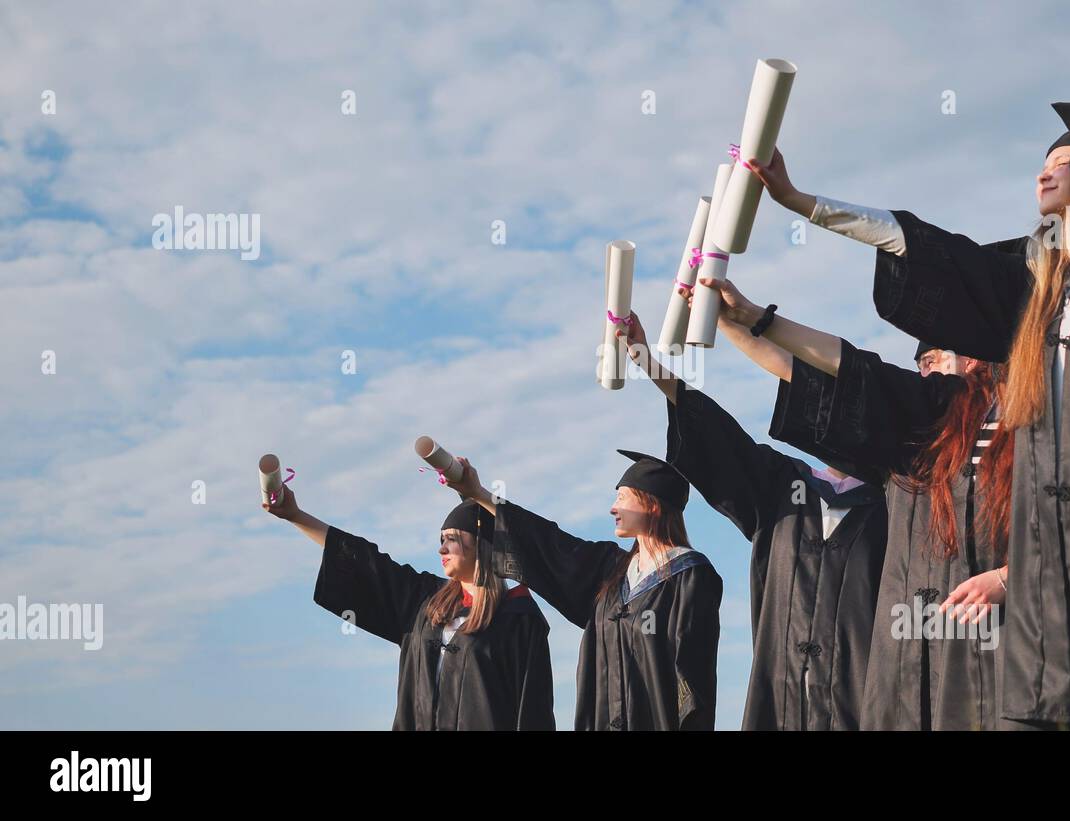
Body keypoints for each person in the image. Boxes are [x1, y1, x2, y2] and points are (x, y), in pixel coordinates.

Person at [745, 102, 1070, 730]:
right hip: (1050, 594)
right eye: (1041, 164)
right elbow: (931, 249)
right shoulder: (1039, 313)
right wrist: (802, 203)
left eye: (1061, 164)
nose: (1042, 176)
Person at [617, 309, 888, 730]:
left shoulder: (894, 502)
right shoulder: (779, 486)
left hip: (864, 708)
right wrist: (648, 362)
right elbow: (717, 432)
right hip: (778, 706)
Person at [441, 451, 723, 730]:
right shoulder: (610, 571)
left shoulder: (690, 576)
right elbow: (549, 542)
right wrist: (478, 492)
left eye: (623, 497)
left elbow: (691, 677)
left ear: (652, 505)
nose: (613, 508)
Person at [263, 487, 555, 730]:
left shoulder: (518, 619)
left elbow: (533, 713)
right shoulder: (425, 602)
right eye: (440, 541)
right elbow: (366, 562)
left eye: (451, 539)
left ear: (482, 544)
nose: (441, 549)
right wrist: (295, 516)